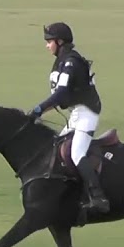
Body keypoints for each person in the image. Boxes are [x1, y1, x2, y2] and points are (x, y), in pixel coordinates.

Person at [28, 22, 110, 213]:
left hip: (87, 113)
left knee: (76, 153)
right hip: (76, 114)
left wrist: (39, 109)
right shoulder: (62, 60)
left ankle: (98, 197)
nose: (47, 46)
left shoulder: (71, 62)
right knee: (57, 151)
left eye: (49, 41)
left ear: (60, 41)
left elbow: (61, 94)